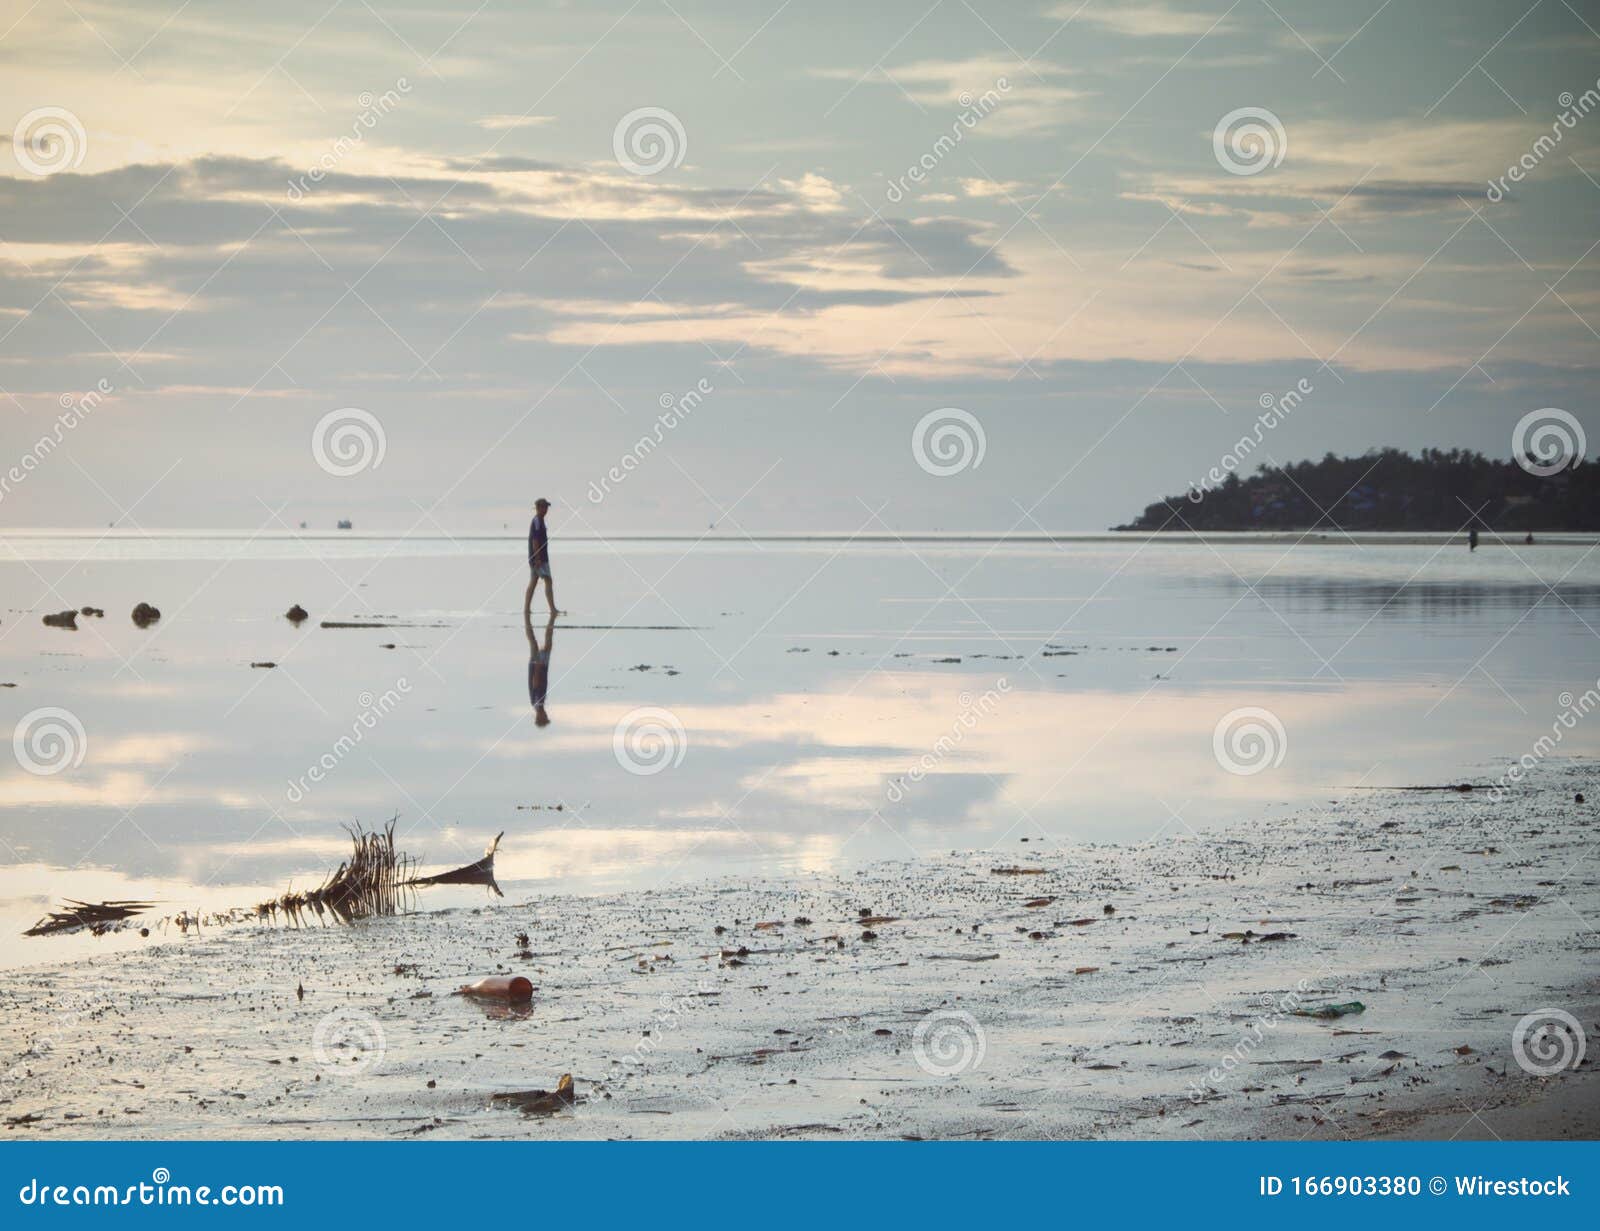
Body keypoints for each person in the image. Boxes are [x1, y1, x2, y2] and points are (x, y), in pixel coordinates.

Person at [524, 498, 557, 617]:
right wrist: (537, 558)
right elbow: (535, 541)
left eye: (547, 507)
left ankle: (526, 609)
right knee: (548, 580)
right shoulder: (537, 521)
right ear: (538, 508)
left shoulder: (540, 521)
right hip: (538, 558)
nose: (546, 509)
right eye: (544, 507)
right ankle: (552, 609)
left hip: (539, 557)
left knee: (534, 581)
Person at [525, 609, 554, 727]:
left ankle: (528, 621)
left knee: (536, 643)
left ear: (539, 717)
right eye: (546, 717)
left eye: (545, 717)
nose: (546, 715)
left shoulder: (538, 703)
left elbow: (535, 684)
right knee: (542, 644)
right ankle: (530, 622)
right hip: (538, 667)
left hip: (538, 667)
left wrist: (537, 666)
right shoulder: (537, 704)